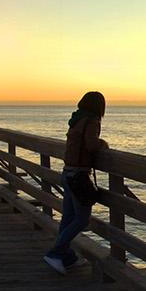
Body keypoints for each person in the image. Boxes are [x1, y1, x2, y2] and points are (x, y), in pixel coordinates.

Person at [44, 91, 108, 274]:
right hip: (78, 176)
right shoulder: (92, 121)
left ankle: (66, 258)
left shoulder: (77, 119)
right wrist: (104, 143)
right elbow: (91, 145)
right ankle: (55, 253)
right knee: (81, 220)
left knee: (68, 217)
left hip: (67, 173)